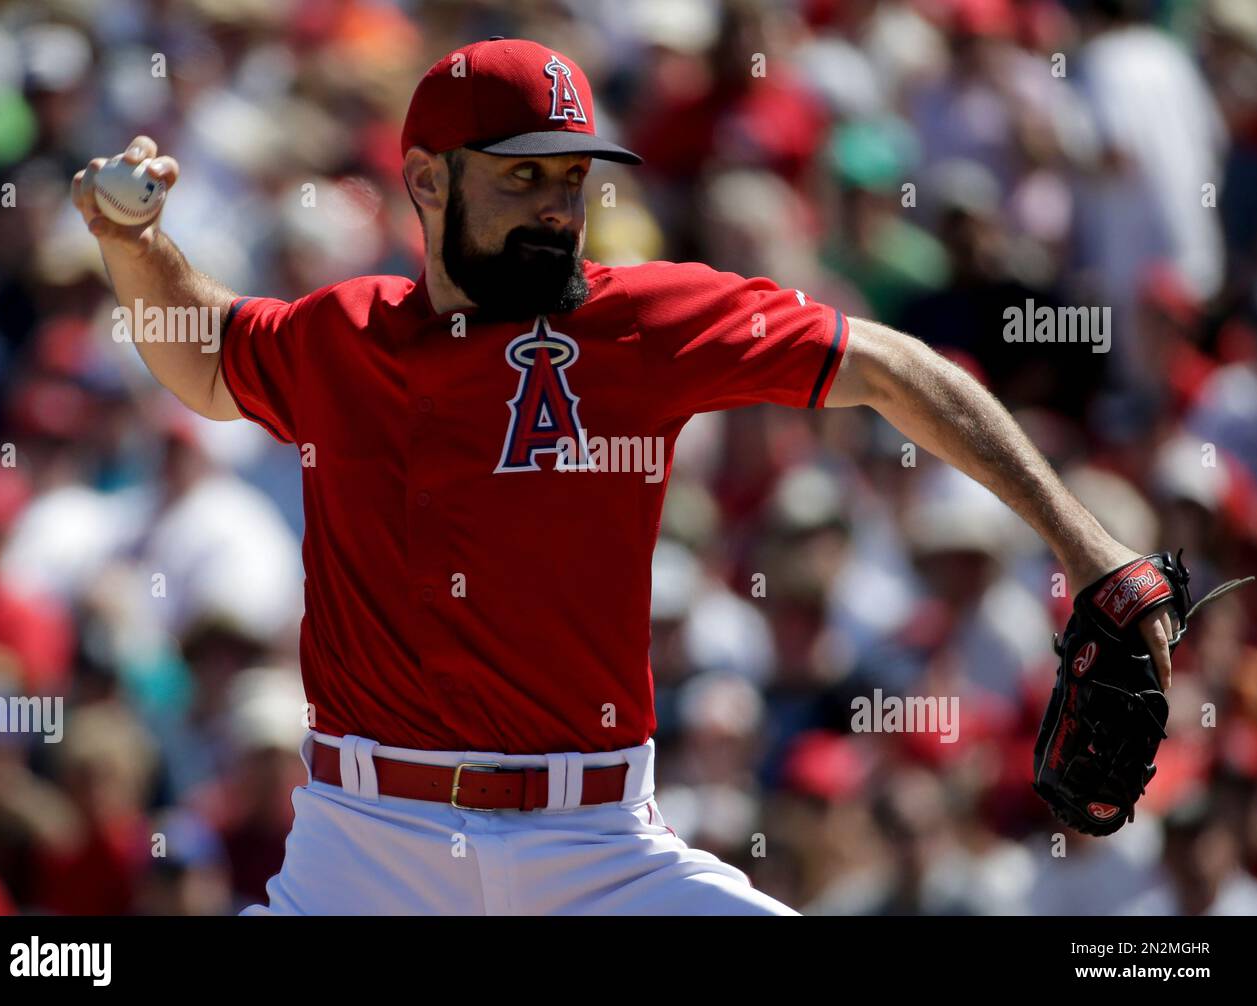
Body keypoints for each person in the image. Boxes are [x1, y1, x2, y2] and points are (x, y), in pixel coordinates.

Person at [72, 37, 1178, 916]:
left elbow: (892, 368)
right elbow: (206, 354)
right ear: (424, 178)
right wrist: (131, 237)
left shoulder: (645, 320)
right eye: (522, 177)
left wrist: (1085, 541)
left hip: (595, 851)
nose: (559, 203)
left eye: (573, 176)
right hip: (366, 857)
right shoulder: (343, 338)